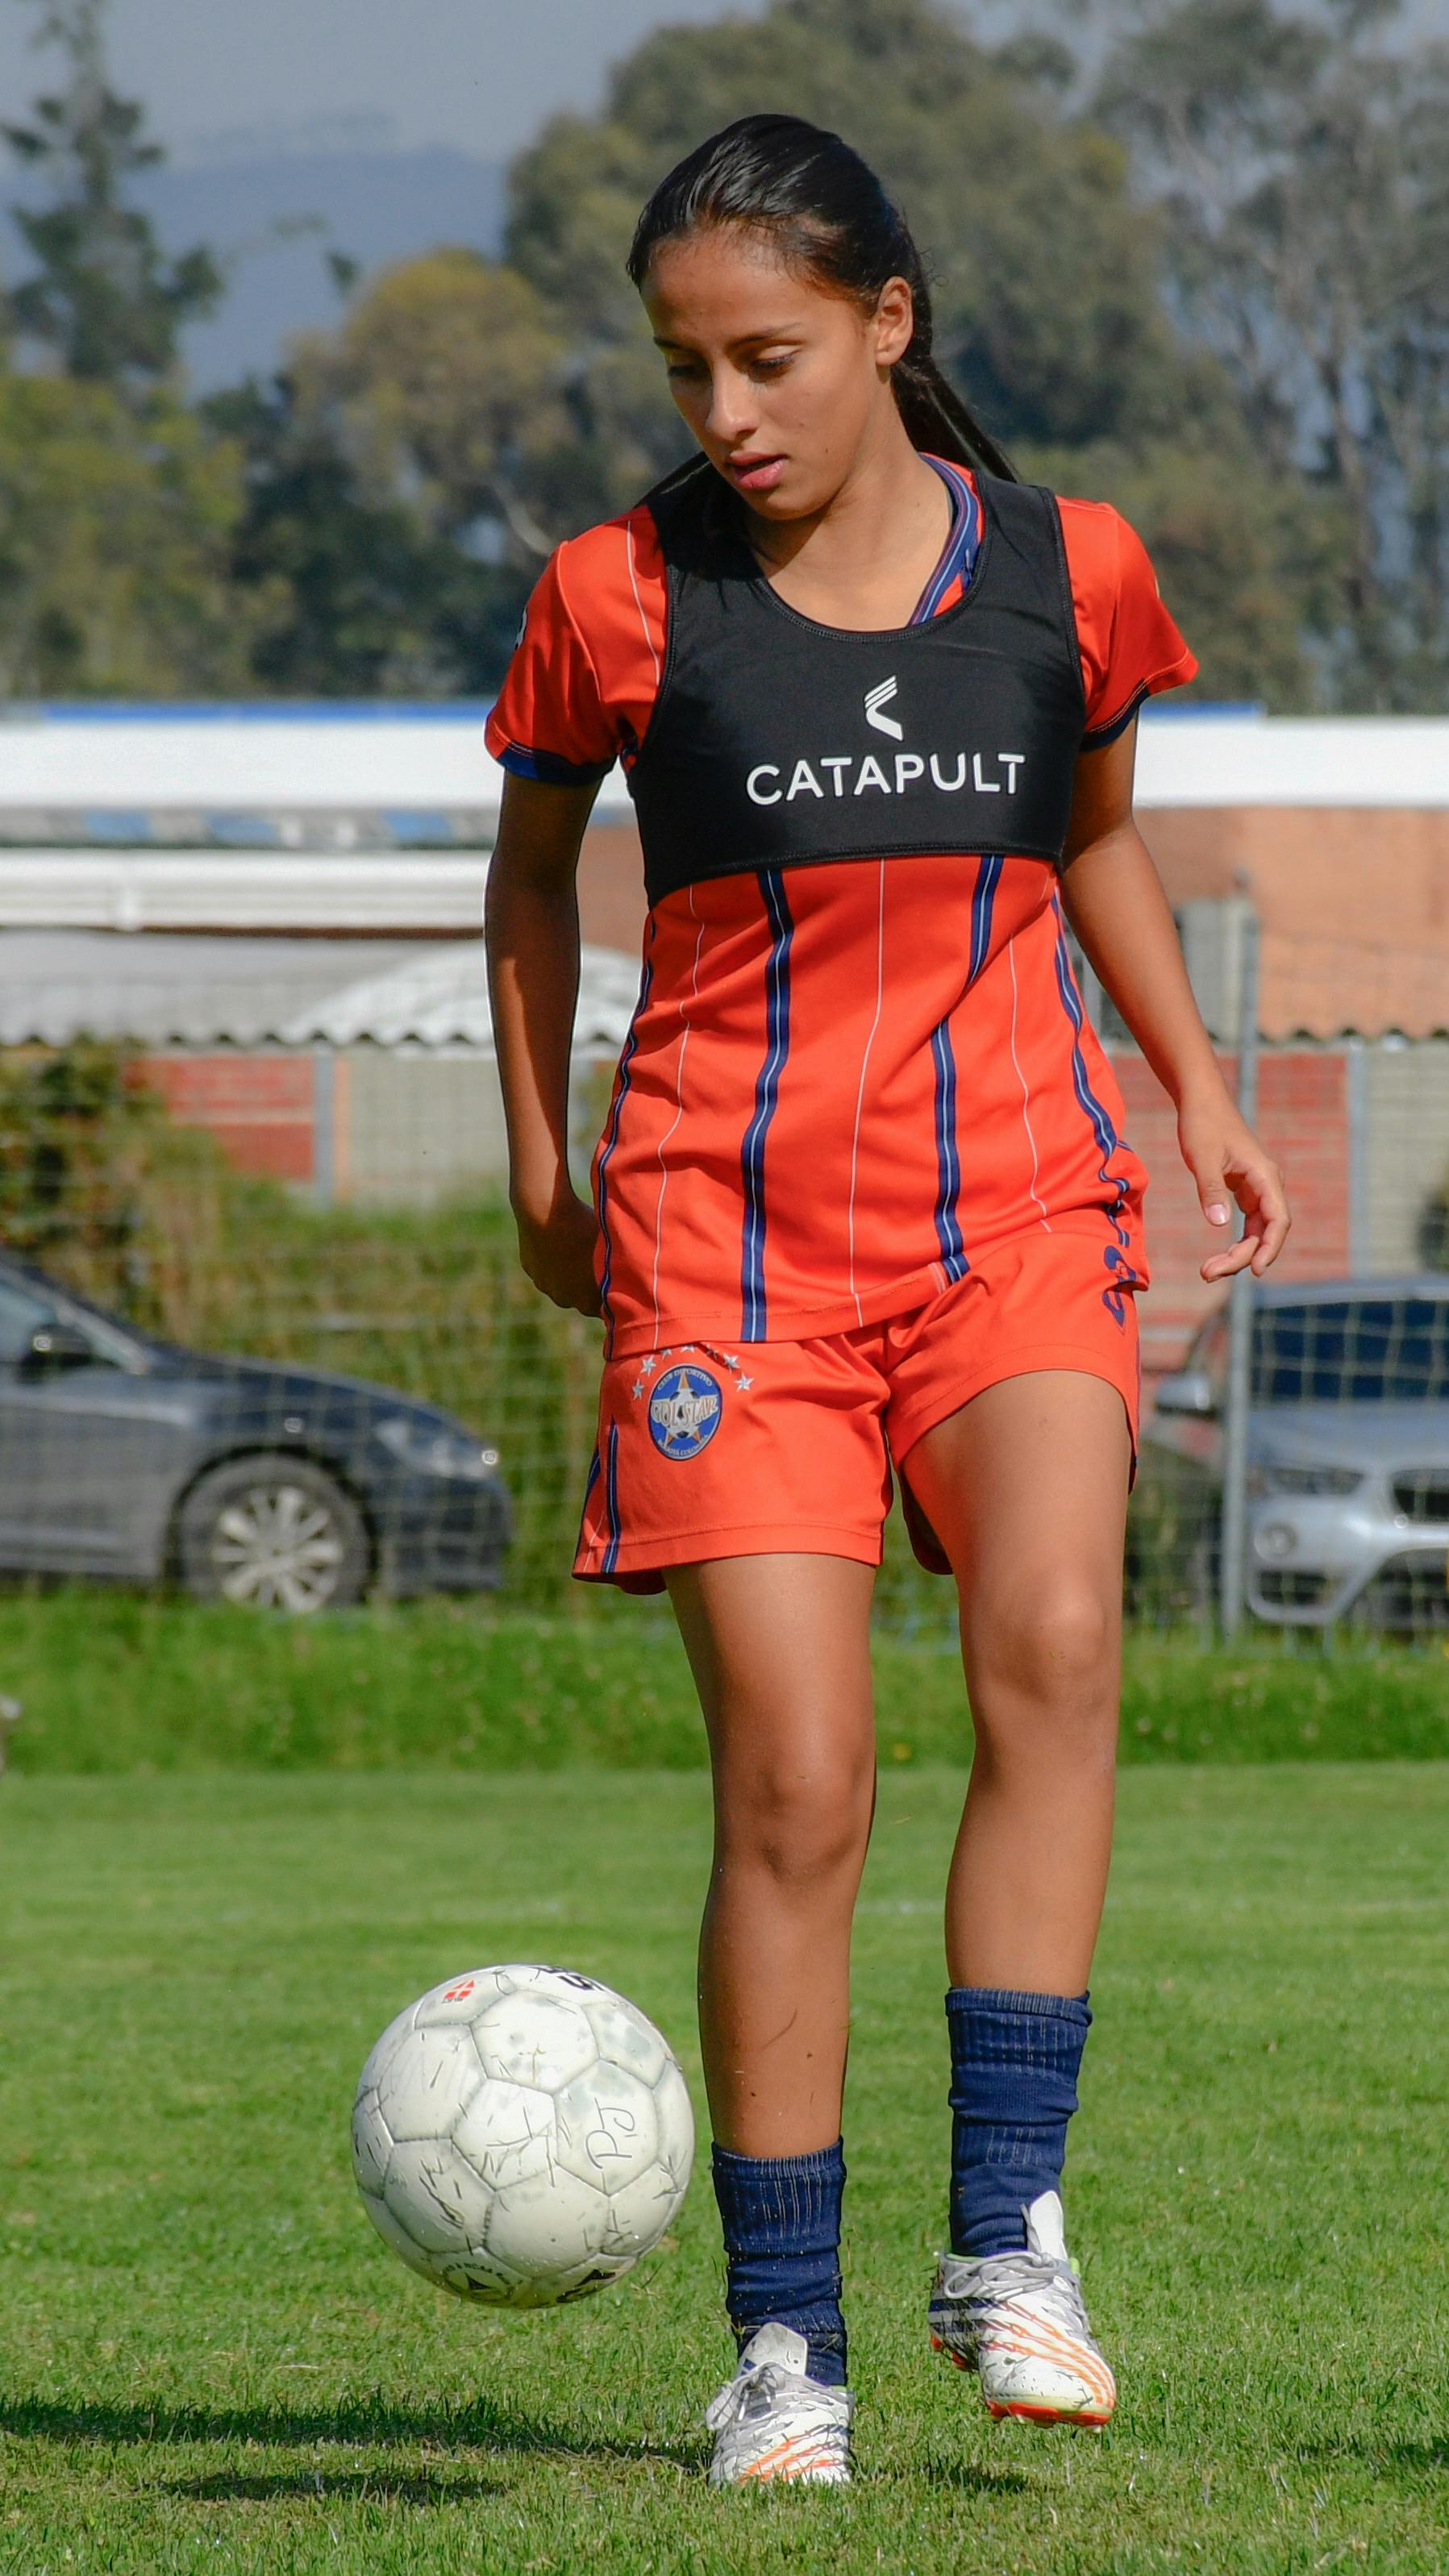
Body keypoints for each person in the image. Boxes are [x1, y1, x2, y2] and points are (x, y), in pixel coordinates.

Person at [484, 112, 1289, 2487]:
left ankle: (1007, 2233)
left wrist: (1198, 1085)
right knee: (800, 1778)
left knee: (1058, 1640)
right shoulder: (617, 597)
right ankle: (783, 2351)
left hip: (1018, 1212)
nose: (725, 412)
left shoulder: (1071, 568)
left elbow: (1097, 835)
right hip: (727, 1253)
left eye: (769, 358)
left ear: (887, 324)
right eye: (685, 368)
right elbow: (528, 883)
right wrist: (540, 1162)